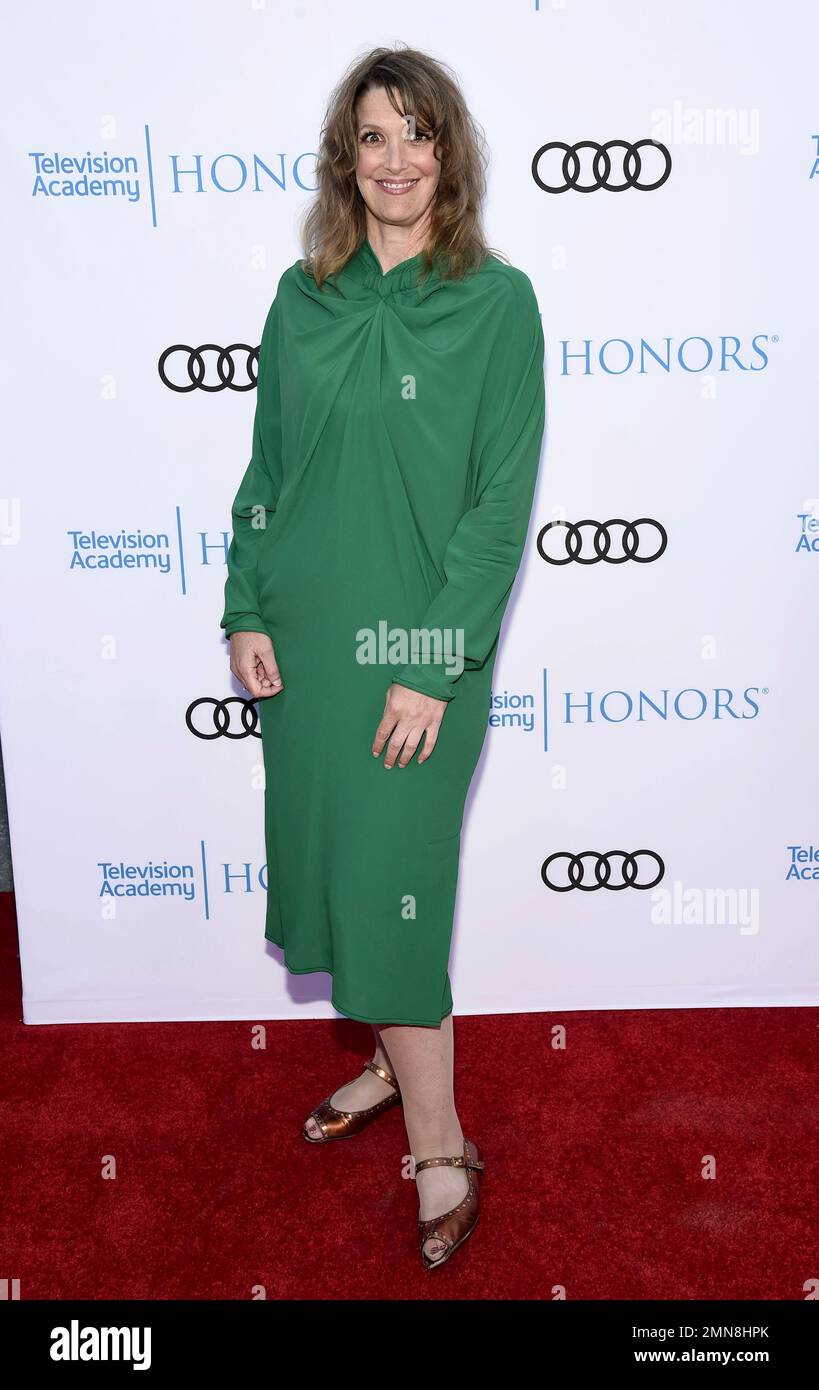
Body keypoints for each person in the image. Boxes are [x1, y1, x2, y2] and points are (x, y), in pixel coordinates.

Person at [221, 45, 545, 1271]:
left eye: (417, 133)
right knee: (342, 877)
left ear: (448, 152)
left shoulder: (496, 303)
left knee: (397, 891)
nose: (397, 157)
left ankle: (443, 1138)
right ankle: (383, 1061)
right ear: (343, 158)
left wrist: (429, 662)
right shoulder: (303, 296)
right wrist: (244, 605)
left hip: (421, 656)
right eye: (373, 135)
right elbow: (267, 472)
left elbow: (497, 510)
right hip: (302, 645)